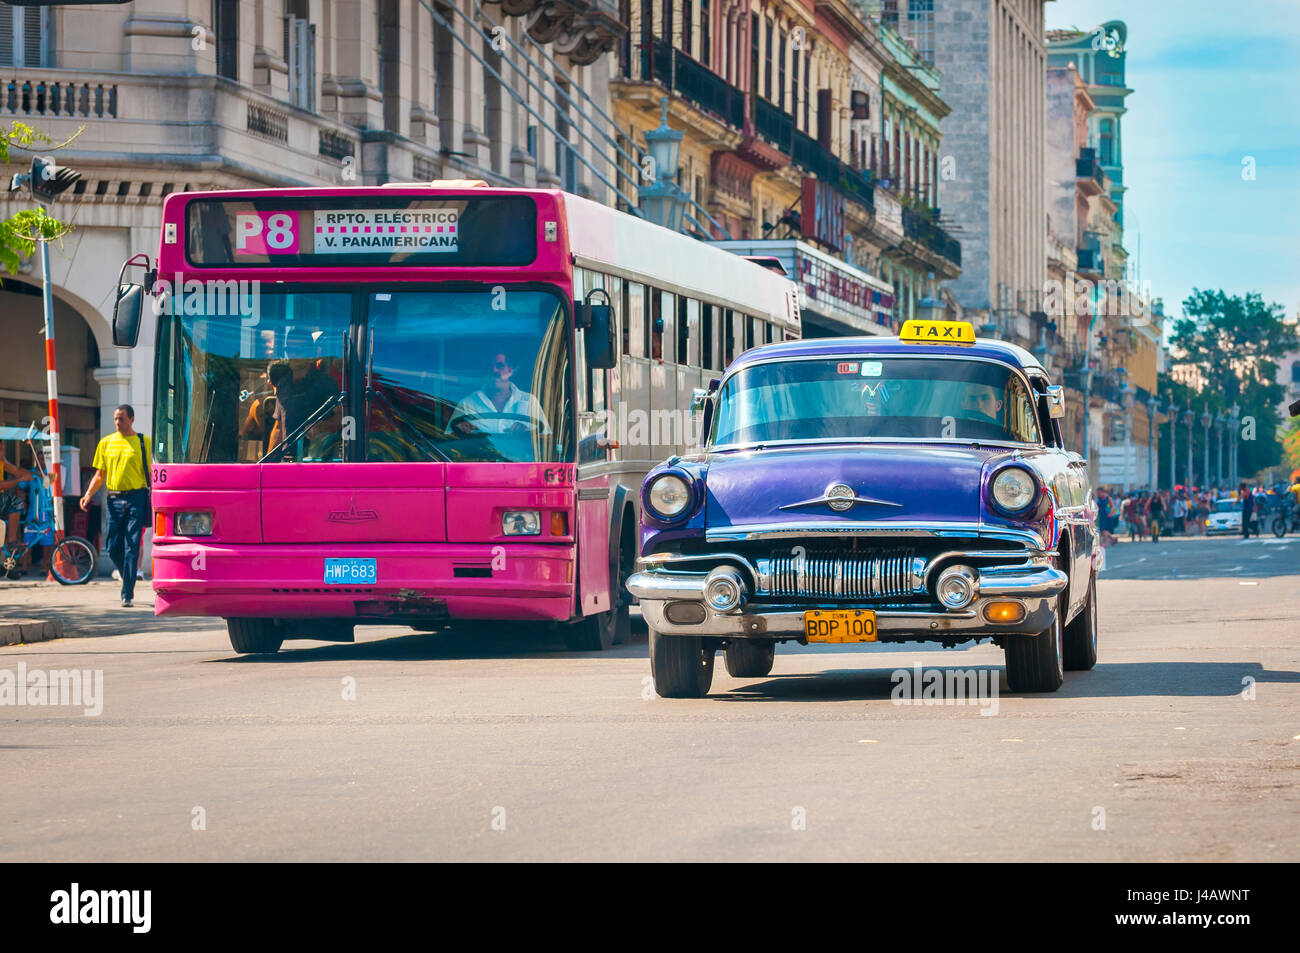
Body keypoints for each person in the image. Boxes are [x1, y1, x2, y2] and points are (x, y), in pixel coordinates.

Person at [80, 405, 151, 607]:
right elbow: (99, 475)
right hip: (114, 499)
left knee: (132, 546)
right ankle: (127, 575)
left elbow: (153, 473)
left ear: (132, 419)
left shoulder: (143, 442)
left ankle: (127, 592)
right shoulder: (106, 443)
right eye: (115, 419)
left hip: (137, 498)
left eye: (121, 418)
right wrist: (88, 495)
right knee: (112, 547)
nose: (118, 423)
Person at [449, 352, 551, 437]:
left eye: (500, 366)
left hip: (520, 460)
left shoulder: (530, 402)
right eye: (489, 367)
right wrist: (461, 431)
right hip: (478, 460)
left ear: (510, 370)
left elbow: (547, 441)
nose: (494, 370)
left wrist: (527, 434)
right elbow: (449, 439)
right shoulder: (467, 404)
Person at [0, 448, 33, 549]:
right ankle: (11, 540)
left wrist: (36, 474)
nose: (3, 451)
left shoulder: (2, 460)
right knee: (16, 502)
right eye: (0, 449)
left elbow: (16, 470)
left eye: (3, 449)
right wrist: (20, 479)